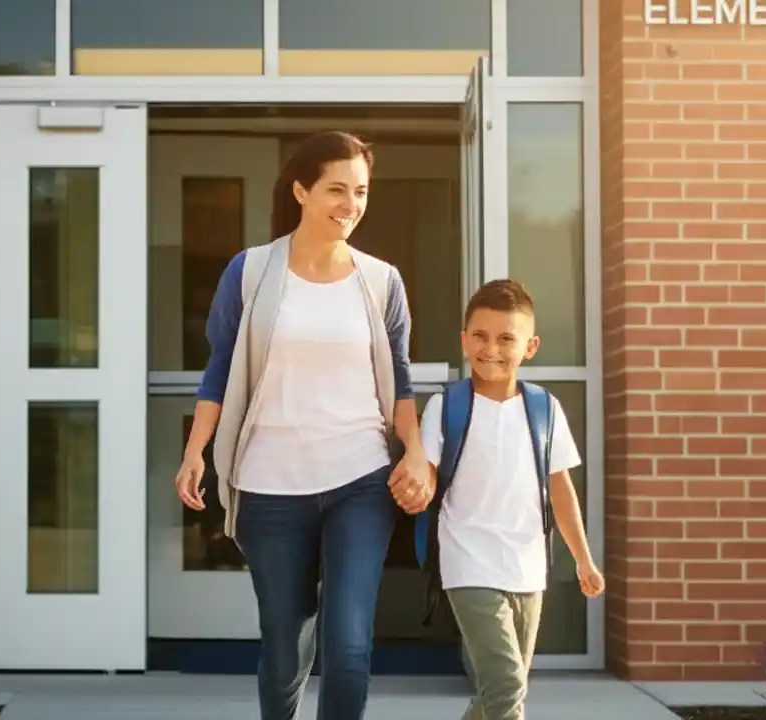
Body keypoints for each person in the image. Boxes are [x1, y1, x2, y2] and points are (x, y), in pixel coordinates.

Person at [173, 130, 434, 720]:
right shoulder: (251, 271)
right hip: (270, 485)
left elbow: (399, 379)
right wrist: (196, 450)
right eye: (336, 189)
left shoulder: (381, 280)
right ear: (300, 191)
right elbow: (220, 367)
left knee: (347, 650)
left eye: (361, 191)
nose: (351, 204)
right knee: (286, 654)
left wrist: (414, 450)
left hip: (359, 482)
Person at [419, 279, 604, 720]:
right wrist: (413, 484)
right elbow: (423, 478)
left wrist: (582, 558)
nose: (491, 349)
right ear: (464, 341)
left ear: (530, 346)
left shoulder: (544, 409)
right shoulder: (445, 409)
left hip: (527, 566)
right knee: (505, 688)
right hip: (468, 560)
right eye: (480, 337)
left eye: (506, 339)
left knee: (499, 695)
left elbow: (559, 488)